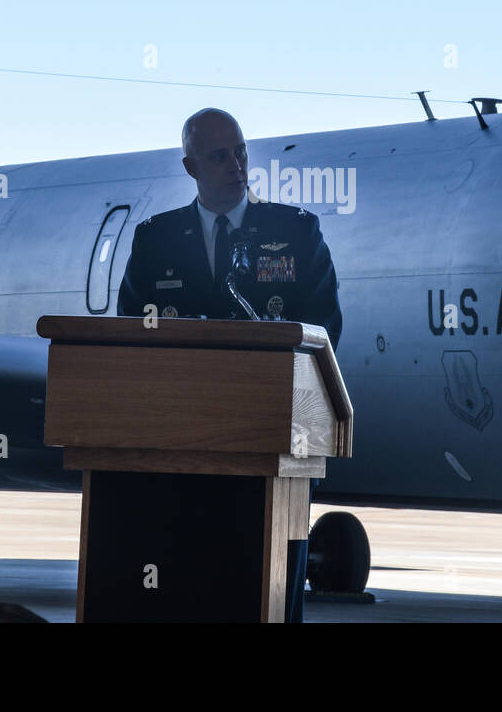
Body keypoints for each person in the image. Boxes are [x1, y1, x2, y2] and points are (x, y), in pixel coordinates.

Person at [117, 107, 342, 622]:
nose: (236, 164)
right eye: (219, 156)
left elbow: (326, 330)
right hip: (183, 446)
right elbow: (132, 333)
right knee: (191, 585)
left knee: (266, 587)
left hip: (274, 439)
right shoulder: (157, 239)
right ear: (191, 166)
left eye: (240, 151)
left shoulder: (296, 232)